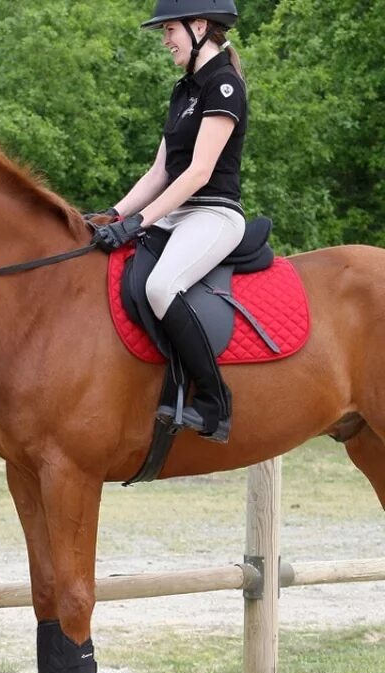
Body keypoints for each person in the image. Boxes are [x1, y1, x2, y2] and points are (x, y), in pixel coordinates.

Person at [90, 0, 246, 443]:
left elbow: (197, 173)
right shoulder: (186, 90)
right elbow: (159, 172)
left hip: (213, 213)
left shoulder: (224, 86)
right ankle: (170, 388)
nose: (165, 40)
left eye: (170, 30)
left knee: (161, 287)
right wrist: (113, 215)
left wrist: (139, 221)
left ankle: (216, 404)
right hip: (176, 215)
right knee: (130, 279)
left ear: (199, 27)